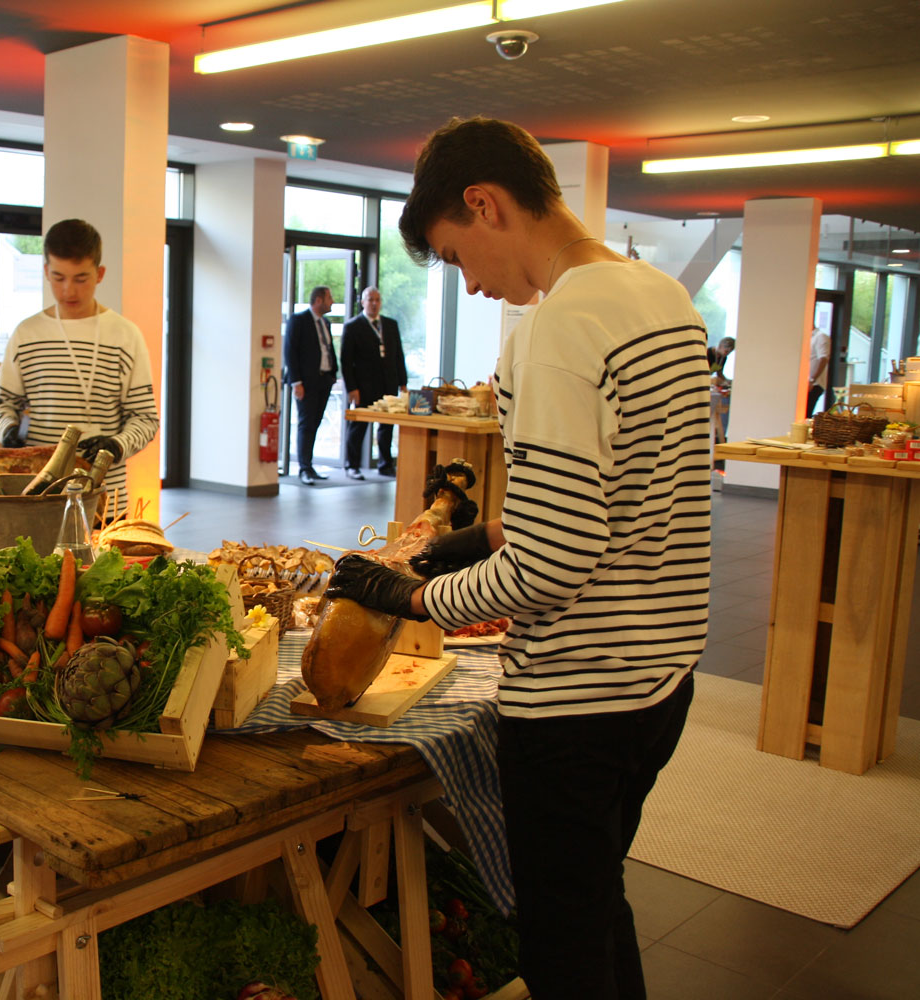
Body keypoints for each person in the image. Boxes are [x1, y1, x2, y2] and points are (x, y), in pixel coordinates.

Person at [324, 116, 710, 1000]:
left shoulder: (560, 326)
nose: (472, 282)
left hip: (579, 700)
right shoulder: (662, 299)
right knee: (597, 903)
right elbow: (627, 497)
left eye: (457, 255)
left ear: (485, 203)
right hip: (661, 677)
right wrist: (472, 538)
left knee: (562, 946)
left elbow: (553, 563)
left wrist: (412, 599)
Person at [0, 218, 158, 498]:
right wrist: (8, 430)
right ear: (46, 271)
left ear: (100, 274)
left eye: (81, 278)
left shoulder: (125, 336)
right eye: (59, 278)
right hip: (38, 495)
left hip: (103, 497)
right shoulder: (26, 334)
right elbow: (0, 402)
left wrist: (117, 446)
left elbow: (145, 418)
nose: (69, 290)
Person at [340, 285, 407, 478]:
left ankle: (385, 464)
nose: (374, 304)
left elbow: (398, 355)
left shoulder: (390, 325)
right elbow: (346, 361)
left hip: (388, 384)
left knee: (387, 426)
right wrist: (352, 388)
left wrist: (402, 382)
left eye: (377, 300)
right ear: (363, 302)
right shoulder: (353, 326)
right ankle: (352, 465)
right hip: (364, 386)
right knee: (359, 426)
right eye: (370, 300)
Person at [283, 285, 338, 485]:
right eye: (329, 298)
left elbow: (328, 349)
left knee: (315, 423)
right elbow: (290, 351)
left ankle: (310, 465)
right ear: (318, 300)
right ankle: (304, 468)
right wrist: (296, 382)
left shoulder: (325, 323)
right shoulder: (299, 321)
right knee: (306, 424)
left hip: (324, 380)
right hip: (306, 382)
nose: (332, 302)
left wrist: (333, 374)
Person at [807, 325, 831, 418]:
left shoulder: (820, 336)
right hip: (808, 383)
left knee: (806, 415)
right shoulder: (809, 338)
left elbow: (823, 359)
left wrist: (812, 379)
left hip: (814, 384)